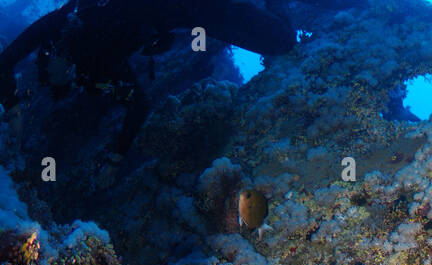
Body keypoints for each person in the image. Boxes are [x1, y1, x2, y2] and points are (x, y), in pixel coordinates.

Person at [0, 0, 295, 155]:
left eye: (49, 59)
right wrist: (117, 157)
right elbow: (139, 105)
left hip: (186, 11)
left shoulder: (62, 21)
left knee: (280, 41)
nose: (54, 61)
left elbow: (7, 59)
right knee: (281, 41)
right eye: (58, 74)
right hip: (189, 10)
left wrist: (11, 102)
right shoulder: (100, 63)